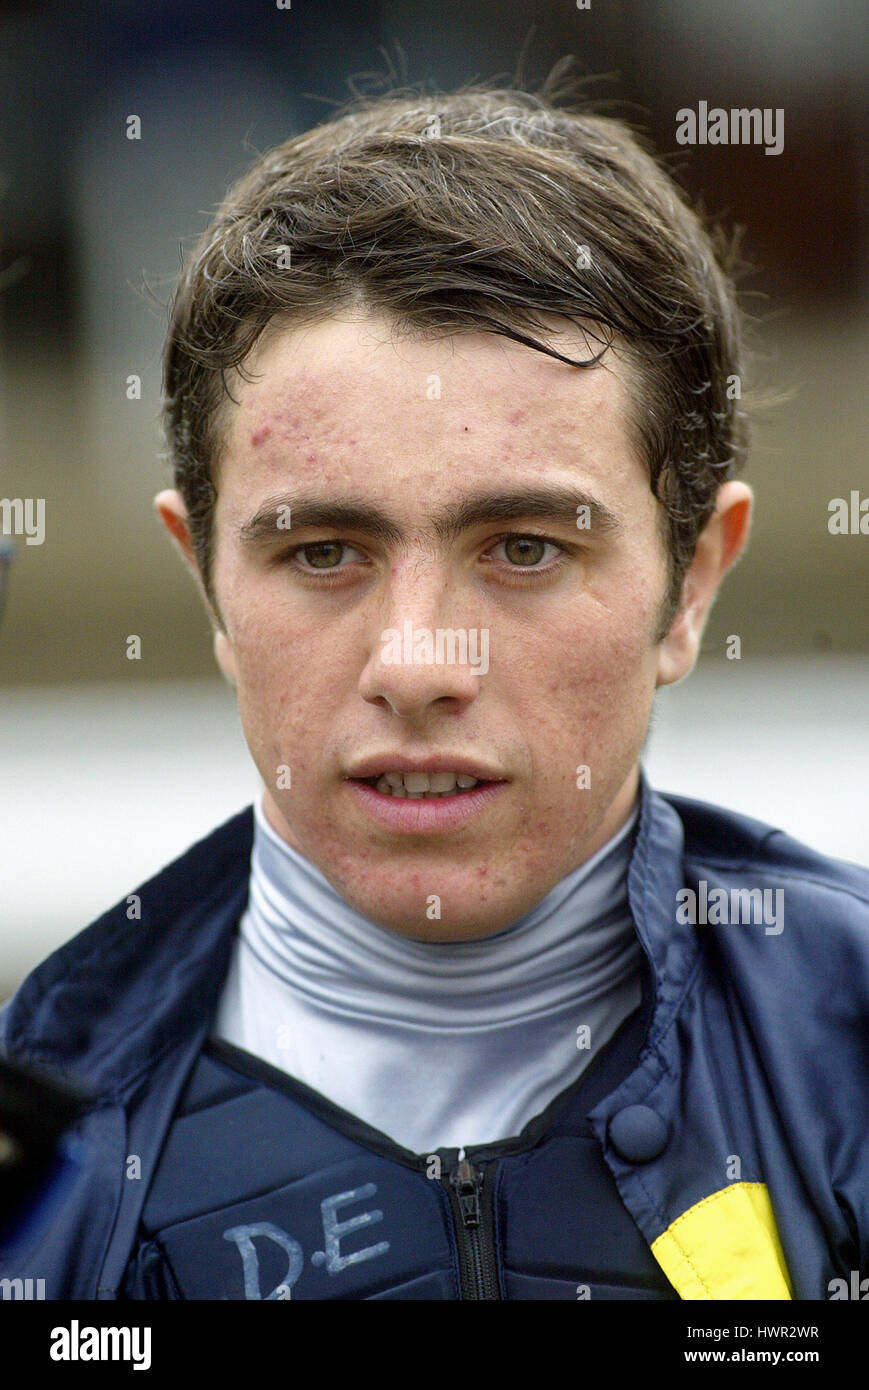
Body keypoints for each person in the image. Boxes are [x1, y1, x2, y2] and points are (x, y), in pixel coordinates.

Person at [1, 79, 867, 1302]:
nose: (416, 663)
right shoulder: (38, 1176)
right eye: (321, 554)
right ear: (206, 588)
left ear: (689, 588)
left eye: (524, 548)